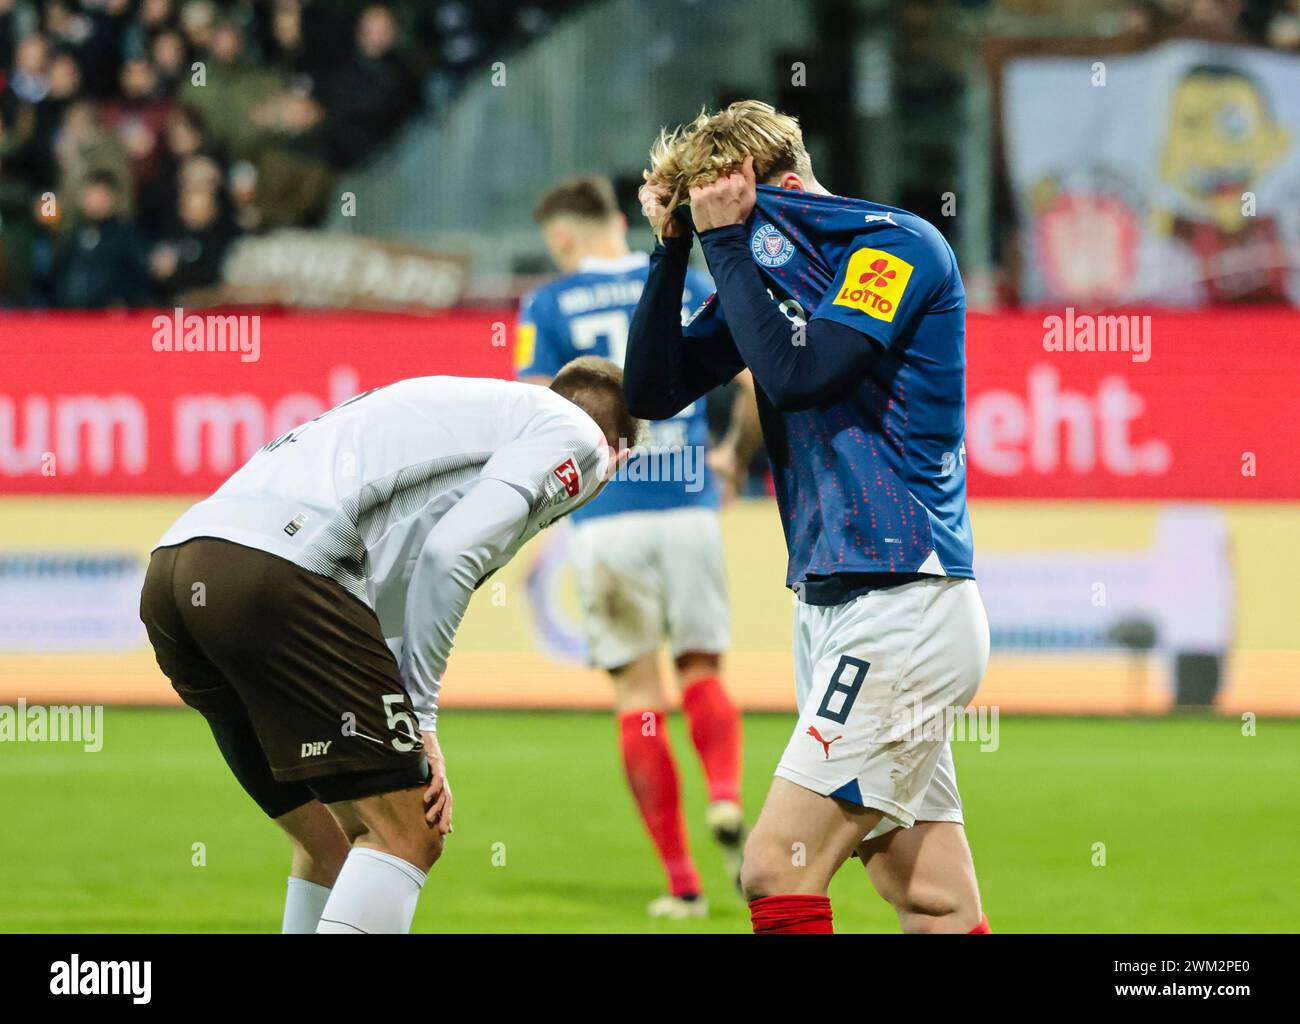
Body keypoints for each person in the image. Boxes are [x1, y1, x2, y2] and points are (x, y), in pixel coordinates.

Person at [624, 101, 991, 935]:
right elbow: (651, 391)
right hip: (833, 608)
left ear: (784, 188)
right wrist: (676, 247)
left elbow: (798, 376)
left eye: (742, 219)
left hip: (904, 601)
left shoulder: (893, 245)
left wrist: (728, 243)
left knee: (773, 867)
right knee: (929, 896)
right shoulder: (767, 273)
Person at [140, 362, 638, 934]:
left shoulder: (478, 414)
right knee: (407, 832)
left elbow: (387, 596)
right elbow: (449, 556)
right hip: (279, 572)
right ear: (616, 460)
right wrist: (420, 720)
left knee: (339, 846)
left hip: (177, 572)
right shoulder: (580, 442)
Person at [517, 175, 760, 918]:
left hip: (607, 517)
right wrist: (732, 460)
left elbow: (533, 415)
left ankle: (683, 881)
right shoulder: (681, 279)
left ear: (562, 236)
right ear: (617, 221)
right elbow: (751, 383)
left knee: (637, 697)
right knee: (701, 667)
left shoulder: (549, 305)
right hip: (686, 503)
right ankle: (725, 793)